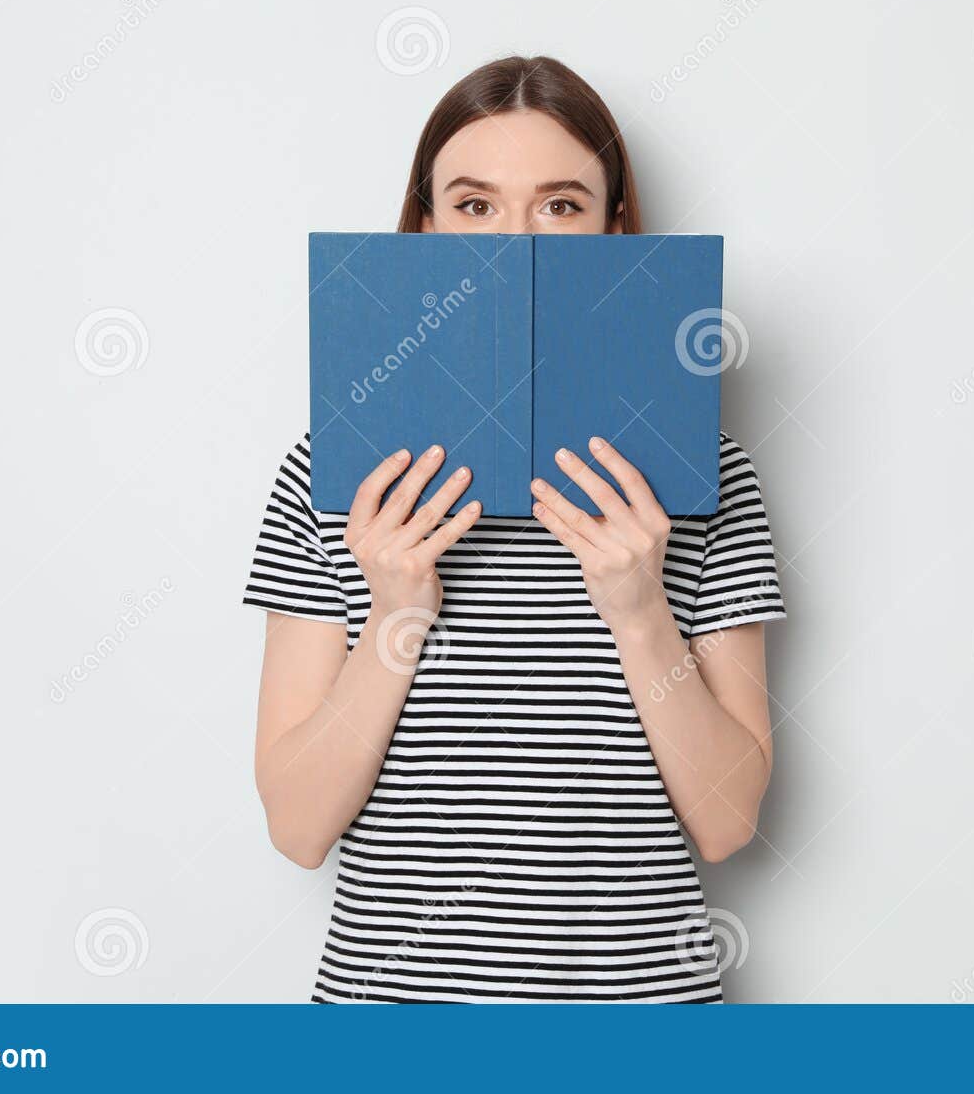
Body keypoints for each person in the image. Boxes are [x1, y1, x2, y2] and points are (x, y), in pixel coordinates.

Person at [244, 55, 786, 1002]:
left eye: (561, 205)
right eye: (475, 204)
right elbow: (296, 827)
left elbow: (727, 820)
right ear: (425, 226)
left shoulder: (703, 475)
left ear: (615, 228)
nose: (516, 240)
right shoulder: (332, 477)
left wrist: (639, 609)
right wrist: (396, 613)